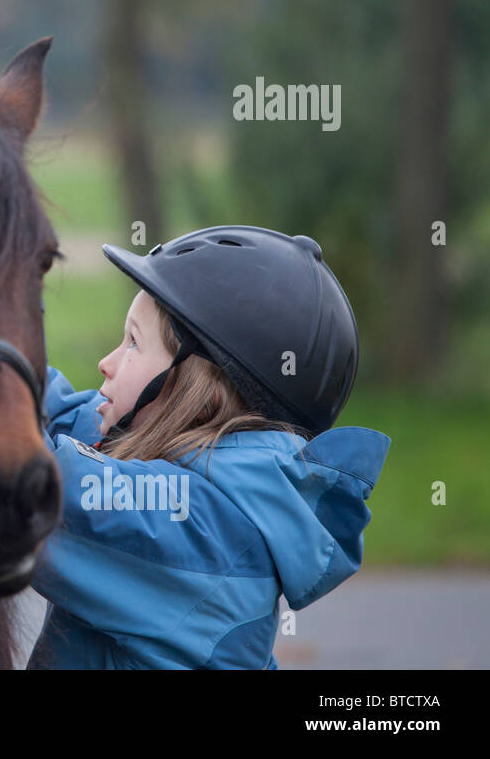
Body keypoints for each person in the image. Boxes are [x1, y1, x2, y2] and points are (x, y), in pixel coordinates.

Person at [27, 226, 390, 669]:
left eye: (134, 343)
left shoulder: (202, 527)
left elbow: (27, 482)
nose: (108, 362)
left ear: (203, 397)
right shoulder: (202, 475)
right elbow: (54, 410)